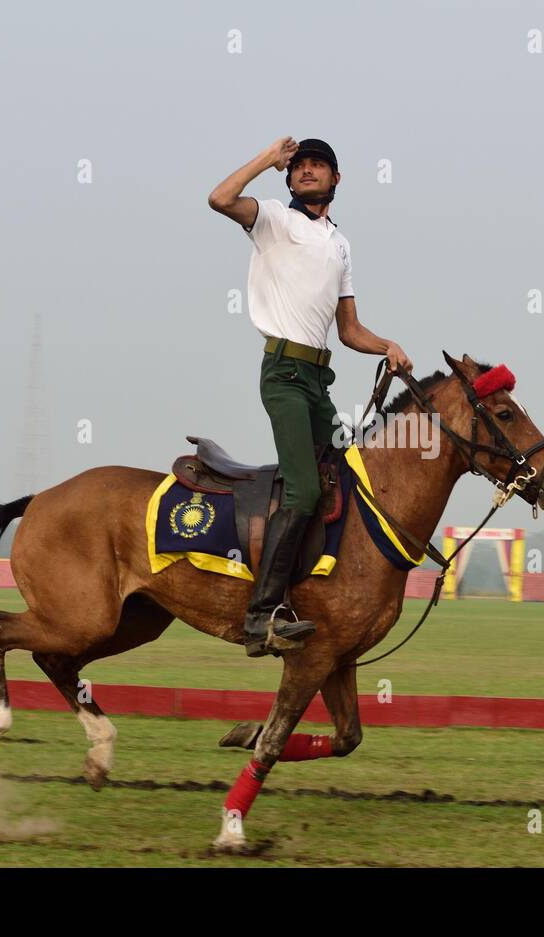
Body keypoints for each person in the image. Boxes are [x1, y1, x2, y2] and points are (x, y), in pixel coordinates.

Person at [208, 136, 413, 657]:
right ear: (288, 176)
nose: (306, 172)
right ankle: (260, 616)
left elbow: (348, 329)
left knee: (340, 479)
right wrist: (264, 157)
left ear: (336, 179)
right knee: (302, 488)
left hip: (319, 381)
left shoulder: (340, 244)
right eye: (299, 166)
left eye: (317, 165)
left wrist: (386, 345)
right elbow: (219, 198)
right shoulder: (274, 219)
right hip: (282, 373)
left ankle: (314, 594)